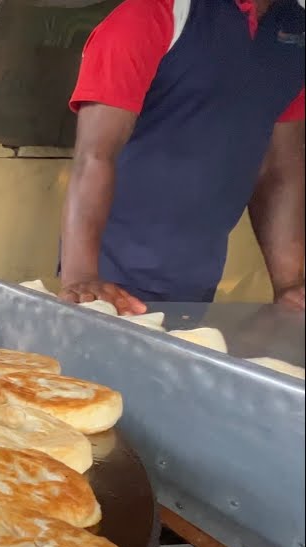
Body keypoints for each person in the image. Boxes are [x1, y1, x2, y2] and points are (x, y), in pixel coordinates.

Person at [59, 0, 305, 313]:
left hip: (198, 278)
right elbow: (95, 154)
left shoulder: (295, 28)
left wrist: (289, 283)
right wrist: (81, 276)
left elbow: (279, 168)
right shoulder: (156, 12)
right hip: (111, 277)